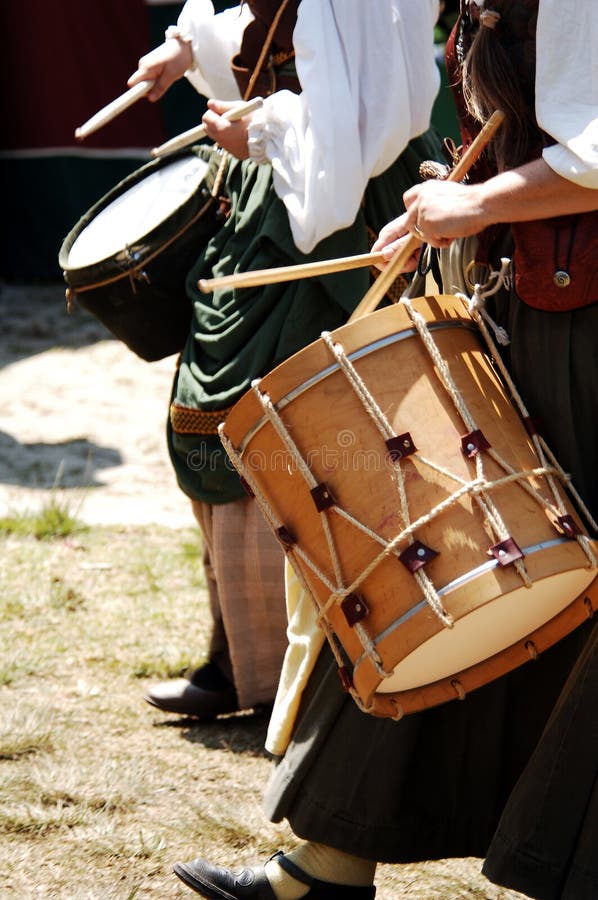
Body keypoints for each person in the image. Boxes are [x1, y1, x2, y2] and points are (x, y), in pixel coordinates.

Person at [171, 1, 597, 898]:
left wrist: (476, 202)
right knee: (434, 565)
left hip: (587, 323)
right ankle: (326, 864)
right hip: (535, 293)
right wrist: (459, 206)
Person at [127, 0, 444, 720]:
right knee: (211, 412)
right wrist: (187, 46)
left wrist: (265, 130)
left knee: (312, 430)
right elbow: (259, 17)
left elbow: (376, 115)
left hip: (341, 205)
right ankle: (244, 659)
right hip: (272, 184)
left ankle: (327, 675)